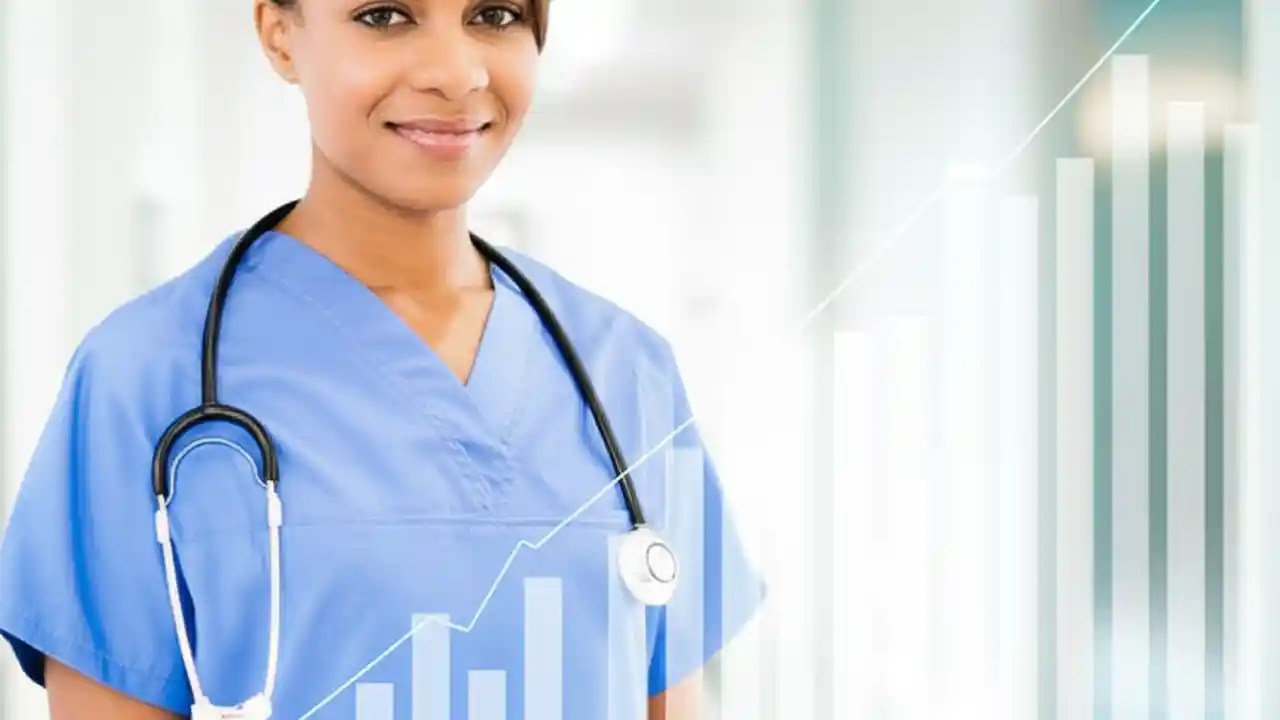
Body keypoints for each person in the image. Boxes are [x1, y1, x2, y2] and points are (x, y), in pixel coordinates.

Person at [0, 0, 764, 718]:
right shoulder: (142, 375)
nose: (456, 72)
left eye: (494, 15)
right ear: (279, 33)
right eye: (386, 15)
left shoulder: (626, 370)